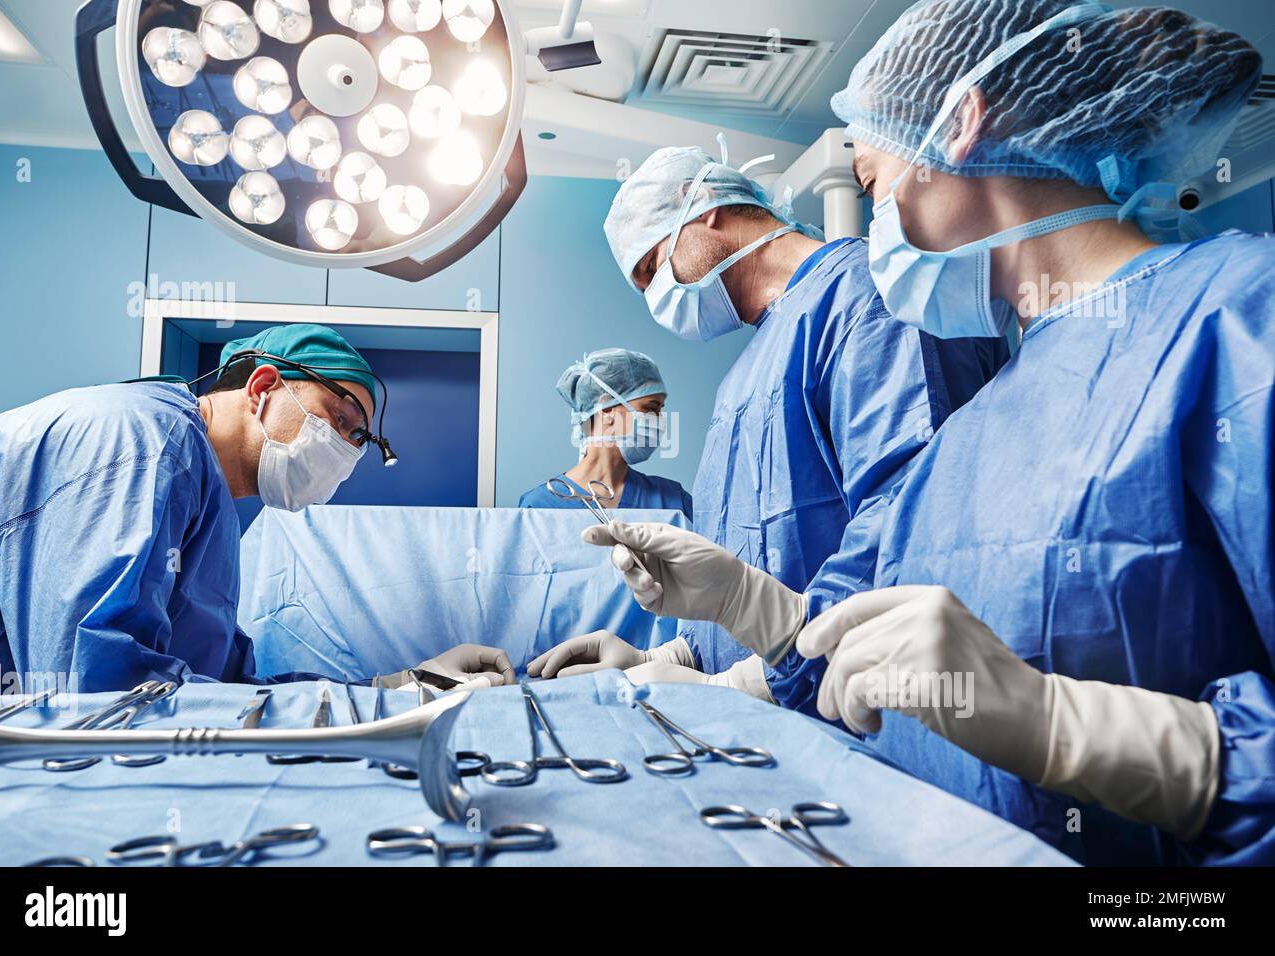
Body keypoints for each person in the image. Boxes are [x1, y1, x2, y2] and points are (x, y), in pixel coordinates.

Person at [582, 0, 1274, 866]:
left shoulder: (1244, 317)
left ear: (962, 125)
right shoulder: (982, 422)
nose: (872, 223)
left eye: (869, 183)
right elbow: (886, 663)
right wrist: (741, 609)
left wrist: (1086, 735)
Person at [528, 134, 1007, 699]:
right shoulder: (745, 374)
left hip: (863, 714)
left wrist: (748, 681)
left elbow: (909, 528)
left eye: (654, 266)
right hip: (778, 713)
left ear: (706, 212)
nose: (658, 297)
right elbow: (746, 571)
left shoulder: (870, 299)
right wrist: (673, 655)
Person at [0, 323, 512, 693]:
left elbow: (222, 695)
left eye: (358, 438)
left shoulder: (211, 516)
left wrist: (395, 691)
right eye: (338, 418)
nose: (346, 448)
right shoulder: (141, 439)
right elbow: (103, 697)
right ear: (261, 387)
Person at [518, 348, 692, 518]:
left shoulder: (673, 500)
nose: (659, 419)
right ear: (607, 408)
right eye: (651, 408)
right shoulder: (540, 506)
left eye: (661, 409)